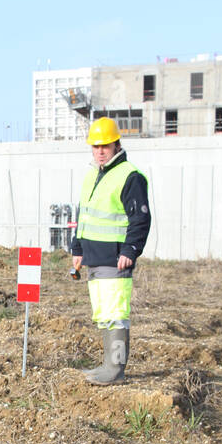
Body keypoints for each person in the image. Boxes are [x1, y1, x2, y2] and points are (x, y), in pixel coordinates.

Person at [70, 117, 151, 385]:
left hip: (116, 258)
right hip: (94, 257)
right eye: (96, 146)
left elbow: (140, 218)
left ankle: (115, 370)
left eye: (105, 145)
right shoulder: (93, 175)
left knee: (115, 312)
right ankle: (108, 365)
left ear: (116, 144)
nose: (100, 151)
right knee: (103, 312)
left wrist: (131, 249)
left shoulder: (130, 176)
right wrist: (78, 247)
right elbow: (84, 216)